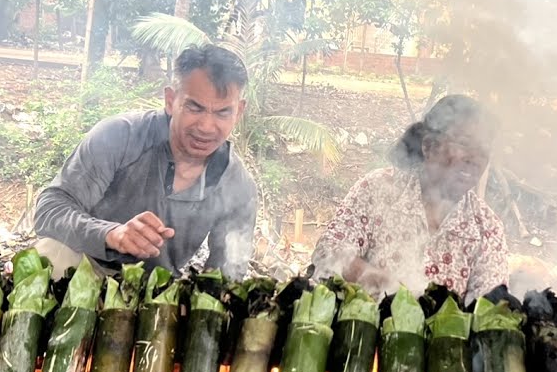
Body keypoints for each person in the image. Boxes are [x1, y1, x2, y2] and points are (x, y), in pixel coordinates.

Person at [32, 44, 258, 280]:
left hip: (157, 293)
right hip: (87, 268)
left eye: (222, 113)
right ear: (171, 100)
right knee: (51, 254)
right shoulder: (120, 136)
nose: (206, 127)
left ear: (239, 112)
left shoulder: (237, 185)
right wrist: (111, 234)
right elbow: (49, 209)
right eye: (194, 107)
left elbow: (228, 269)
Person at [311, 94, 509, 304]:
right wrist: (382, 284)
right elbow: (328, 253)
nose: (475, 158)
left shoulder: (486, 228)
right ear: (430, 146)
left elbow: (491, 308)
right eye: (464, 143)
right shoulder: (377, 190)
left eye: (483, 149)